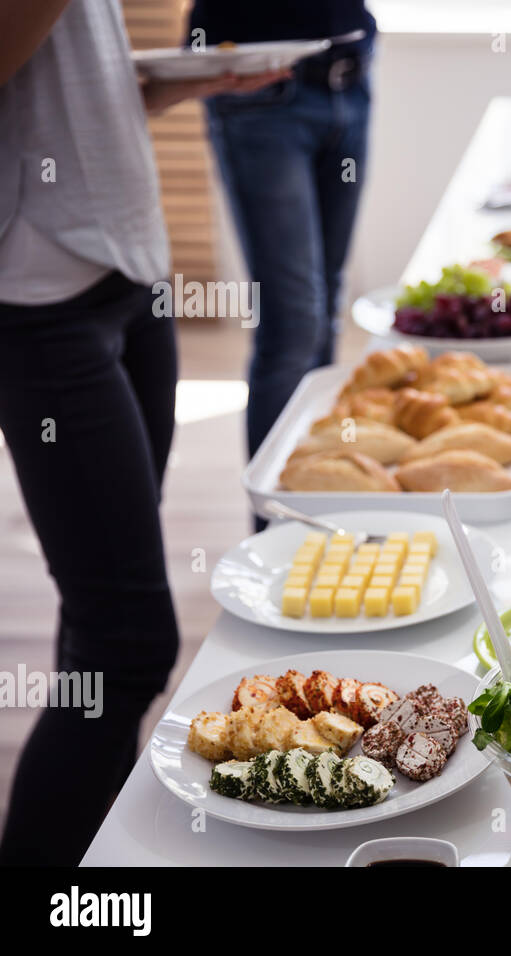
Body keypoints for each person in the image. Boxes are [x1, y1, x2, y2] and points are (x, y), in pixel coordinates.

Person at [0, 0, 284, 865]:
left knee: (99, 613)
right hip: (37, 286)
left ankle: (97, 860)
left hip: (131, 264)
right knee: (128, 642)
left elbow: (53, 80)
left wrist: (158, 82)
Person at [188, 1, 376, 490]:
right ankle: (275, 528)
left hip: (348, 73)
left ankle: (319, 496)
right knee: (294, 320)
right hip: (259, 88)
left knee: (325, 301)